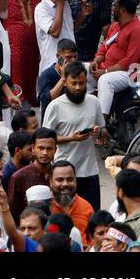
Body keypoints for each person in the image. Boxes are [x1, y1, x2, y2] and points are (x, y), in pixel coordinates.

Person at [42, 63, 106, 208]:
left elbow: (103, 131)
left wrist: (99, 132)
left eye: (81, 83)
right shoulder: (55, 106)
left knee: (91, 217)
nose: (78, 87)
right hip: (64, 173)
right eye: (74, 83)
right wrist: (71, 138)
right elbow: (45, 140)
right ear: (65, 82)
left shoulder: (94, 102)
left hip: (89, 171)